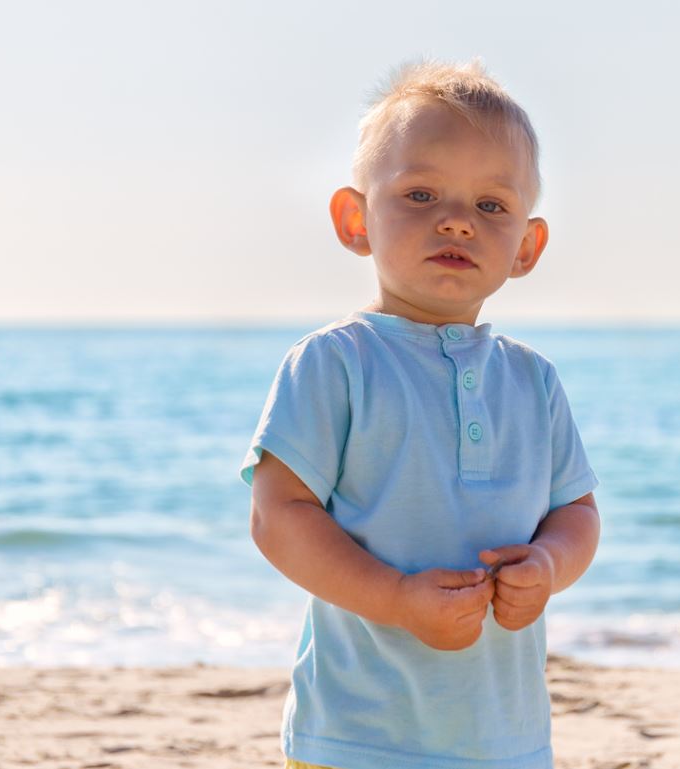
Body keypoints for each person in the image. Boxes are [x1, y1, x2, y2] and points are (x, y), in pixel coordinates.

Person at [242, 59, 600, 769]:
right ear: (356, 220)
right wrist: (397, 597)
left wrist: (550, 564)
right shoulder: (334, 362)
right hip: (356, 734)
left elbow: (578, 511)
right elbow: (277, 515)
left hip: (504, 738)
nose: (457, 219)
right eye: (421, 192)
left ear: (526, 246)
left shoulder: (534, 381)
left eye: (492, 205)